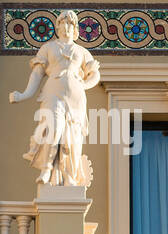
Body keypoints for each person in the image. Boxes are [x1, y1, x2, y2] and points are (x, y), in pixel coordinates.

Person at [9, 9, 100, 188]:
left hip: (76, 99)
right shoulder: (48, 48)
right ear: (57, 26)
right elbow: (37, 74)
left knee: (72, 139)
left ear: (75, 28)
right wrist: (24, 94)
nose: (66, 27)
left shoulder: (81, 51)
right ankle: (47, 168)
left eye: (70, 24)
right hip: (53, 93)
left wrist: (84, 85)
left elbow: (94, 75)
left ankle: (69, 176)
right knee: (53, 129)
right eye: (62, 23)